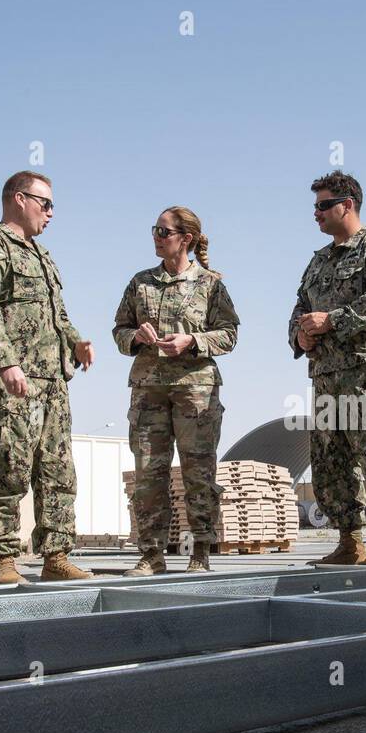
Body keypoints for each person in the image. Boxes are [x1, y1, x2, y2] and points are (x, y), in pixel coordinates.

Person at [0, 171, 95, 585]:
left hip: (53, 382)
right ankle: (1, 560)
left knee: (57, 471)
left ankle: (56, 556)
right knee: (9, 467)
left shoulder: (43, 255)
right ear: (19, 199)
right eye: (45, 203)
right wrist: (5, 363)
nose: (51, 213)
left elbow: (58, 314)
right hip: (13, 381)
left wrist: (75, 341)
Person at [287, 171, 366, 566]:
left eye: (323, 205)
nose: (316, 214)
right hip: (326, 378)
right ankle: (349, 541)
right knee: (330, 462)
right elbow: (300, 307)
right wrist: (299, 336)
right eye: (315, 206)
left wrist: (333, 321)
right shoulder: (318, 261)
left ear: (347, 204)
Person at [113, 207, 239, 575]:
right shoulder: (140, 282)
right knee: (149, 475)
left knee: (198, 473)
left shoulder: (211, 285)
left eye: (163, 231)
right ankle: (151, 554)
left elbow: (229, 334)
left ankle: (200, 552)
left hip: (195, 394)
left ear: (186, 238)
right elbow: (119, 331)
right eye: (154, 229)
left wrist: (192, 340)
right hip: (148, 392)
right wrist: (135, 336)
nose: (156, 236)